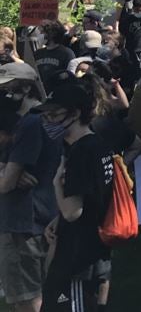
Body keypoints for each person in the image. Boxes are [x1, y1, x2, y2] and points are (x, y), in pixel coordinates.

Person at [37, 84, 115, 312]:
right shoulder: (97, 145)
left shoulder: (81, 152)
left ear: (76, 113)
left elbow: (73, 212)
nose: (48, 122)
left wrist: (56, 185)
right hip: (92, 249)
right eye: (45, 115)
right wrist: (57, 219)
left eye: (54, 115)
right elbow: (89, 198)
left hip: (79, 258)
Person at [0, 62, 58, 312]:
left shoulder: (30, 124)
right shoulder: (47, 119)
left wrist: (7, 174)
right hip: (44, 213)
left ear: (25, 89)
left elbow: (5, 184)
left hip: (23, 222)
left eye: (8, 89)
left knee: (28, 297)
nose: (4, 95)